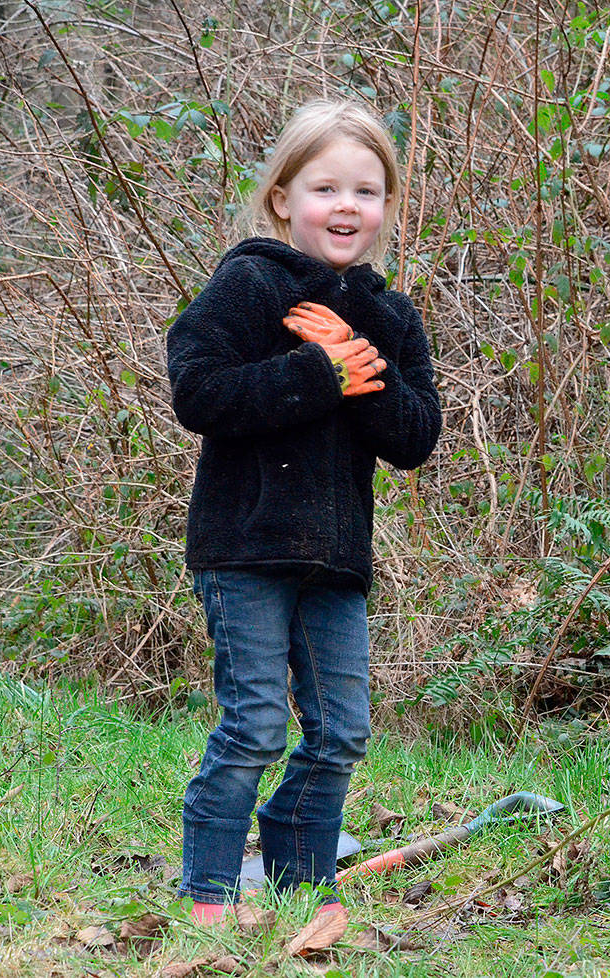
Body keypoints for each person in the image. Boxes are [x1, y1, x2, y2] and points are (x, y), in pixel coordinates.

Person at [166, 100, 442, 923]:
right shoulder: (250, 281)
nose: (347, 206)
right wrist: (317, 373)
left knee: (342, 731)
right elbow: (199, 388)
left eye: (367, 189)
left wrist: (368, 371)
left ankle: (302, 885)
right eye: (325, 187)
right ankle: (208, 888)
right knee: (253, 725)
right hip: (243, 547)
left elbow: (415, 437)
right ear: (284, 197)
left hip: (337, 560)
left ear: (388, 205)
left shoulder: (391, 317)